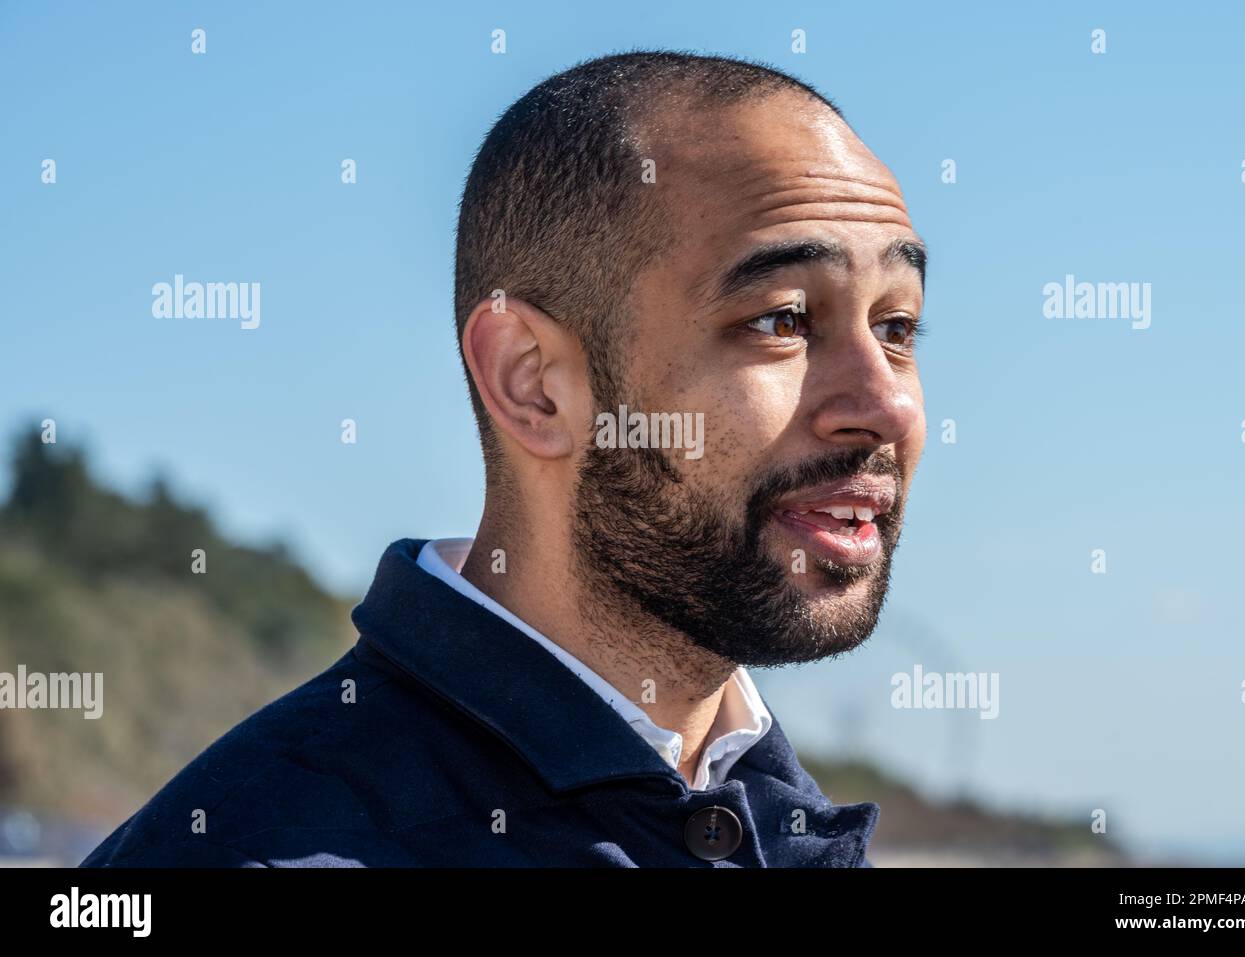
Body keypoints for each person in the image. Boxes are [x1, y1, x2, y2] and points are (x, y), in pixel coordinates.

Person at [82, 50, 927, 868]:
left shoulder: (782, 825)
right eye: (782, 319)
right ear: (533, 383)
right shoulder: (244, 848)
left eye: (895, 326)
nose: (885, 404)